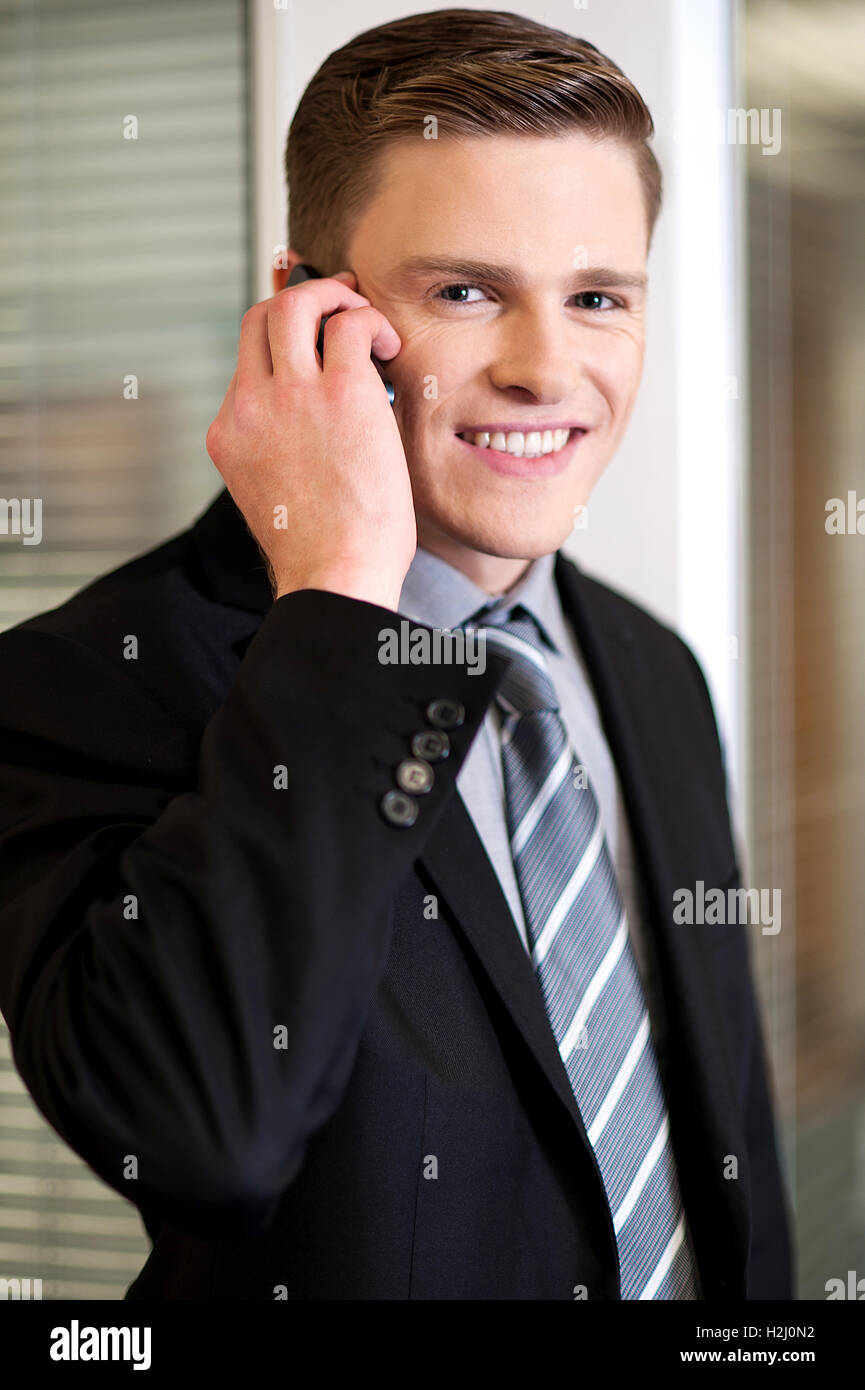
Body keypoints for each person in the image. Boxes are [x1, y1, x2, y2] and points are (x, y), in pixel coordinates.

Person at [0, 8, 793, 1300]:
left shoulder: (654, 669)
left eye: (596, 297)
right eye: (466, 291)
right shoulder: (93, 681)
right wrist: (337, 598)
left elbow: (727, 1162)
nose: (547, 368)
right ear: (305, 317)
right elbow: (202, 1135)